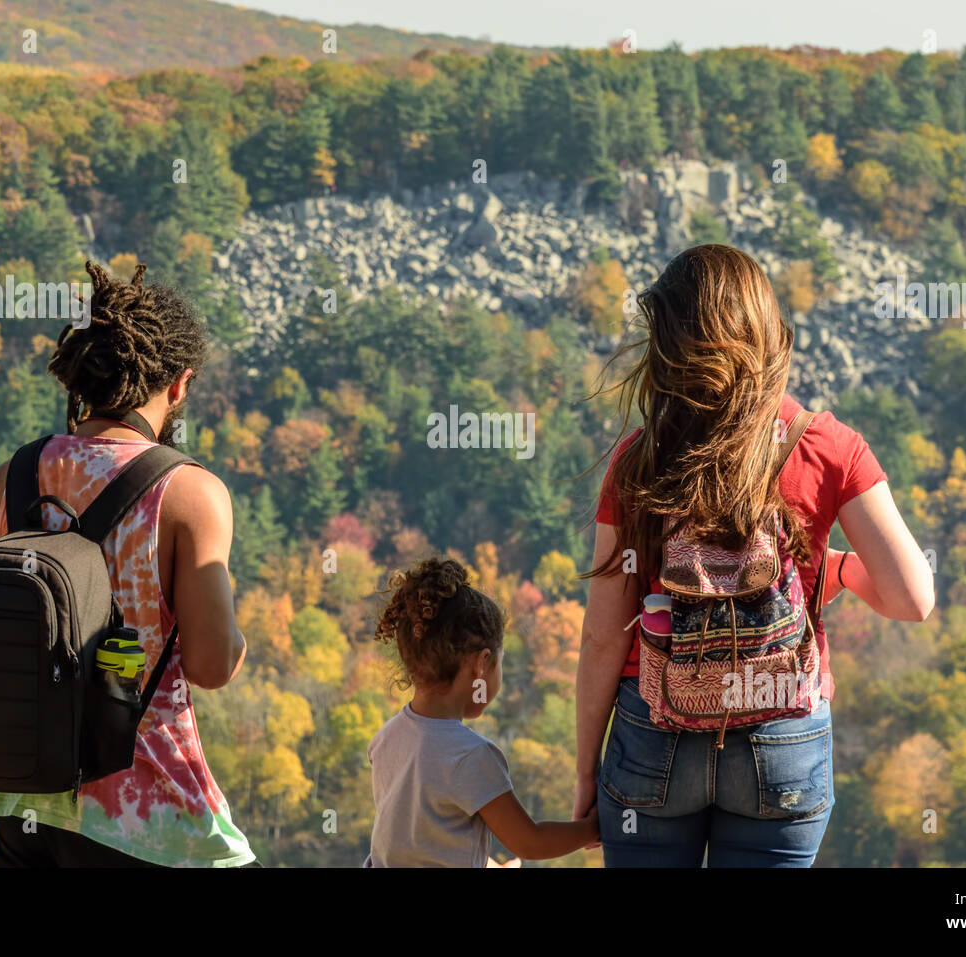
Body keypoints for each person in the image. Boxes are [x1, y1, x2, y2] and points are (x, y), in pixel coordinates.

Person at [574, 243, 934, 867]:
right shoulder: (826, 446)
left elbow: (605, 636)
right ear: (768, 335)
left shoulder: (638, 461)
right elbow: (912, 599)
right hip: (780, 743)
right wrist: (842, 569)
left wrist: (586, 772)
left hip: (654, 738)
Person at [0, 261, 254, 867]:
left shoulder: (8, 480)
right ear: (179, 386)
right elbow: (211, 666)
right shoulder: (189, 494)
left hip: (17, 809)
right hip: (150, 821)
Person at [366, 558, 599, 867]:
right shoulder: (471, 756)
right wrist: (592, 828)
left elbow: (422, 842)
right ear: (482, 664)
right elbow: (530, 842)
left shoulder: (386, 739)